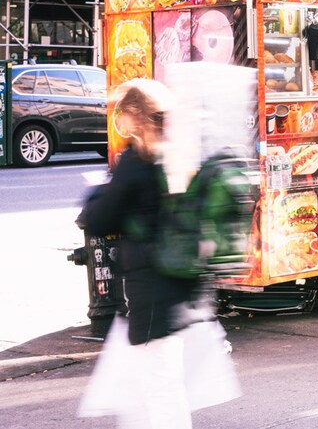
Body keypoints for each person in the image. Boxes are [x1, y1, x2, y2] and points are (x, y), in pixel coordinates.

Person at [79, 79, 232, 428]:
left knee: (161, 387)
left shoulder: (138, 161)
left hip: (151, 290)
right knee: (155, 383)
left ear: (133, 116)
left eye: (122, 115)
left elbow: (99, 220)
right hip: (181, 285)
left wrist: (95, 194)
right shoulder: (176, 154)